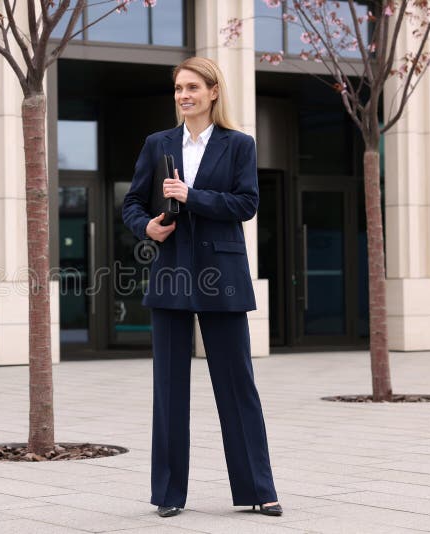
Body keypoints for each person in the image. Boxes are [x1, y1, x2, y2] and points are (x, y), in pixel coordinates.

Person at [122, 56, 282, 518]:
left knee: (237, 384)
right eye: (178, 89)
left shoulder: (239, 145)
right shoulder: (158, 144)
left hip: (222, 275)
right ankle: (169, 494)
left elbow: (246, 203)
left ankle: (258, 488)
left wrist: (192, 197)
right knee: (168, 388)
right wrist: (145, 228)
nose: (183, 95)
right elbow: (132, 202)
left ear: (213, 92)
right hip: (171, 271)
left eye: (192, 87)